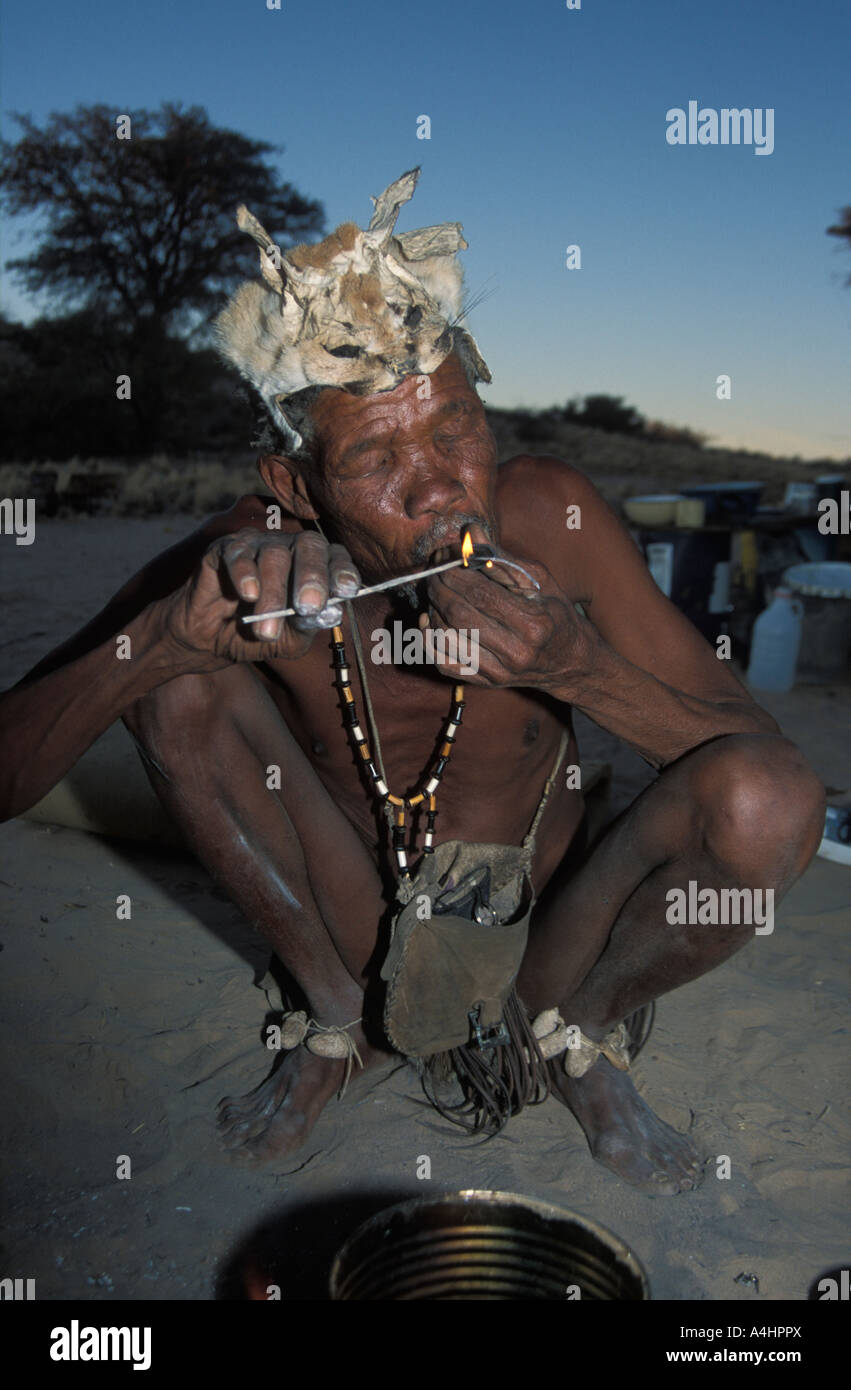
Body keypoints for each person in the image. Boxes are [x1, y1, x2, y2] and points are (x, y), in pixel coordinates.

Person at [0, 172, 824, 1194]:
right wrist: (168, 638)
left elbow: (763, 774)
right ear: (295, 488)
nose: (438, 484)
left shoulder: (552, 516)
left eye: (453, 430)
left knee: (764, 799)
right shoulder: (248, 560)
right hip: (357, 925)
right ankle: (333, 1026)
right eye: (375, 457)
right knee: (177, 681)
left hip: (543, 938)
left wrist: (579, 668)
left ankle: (581, 1035)